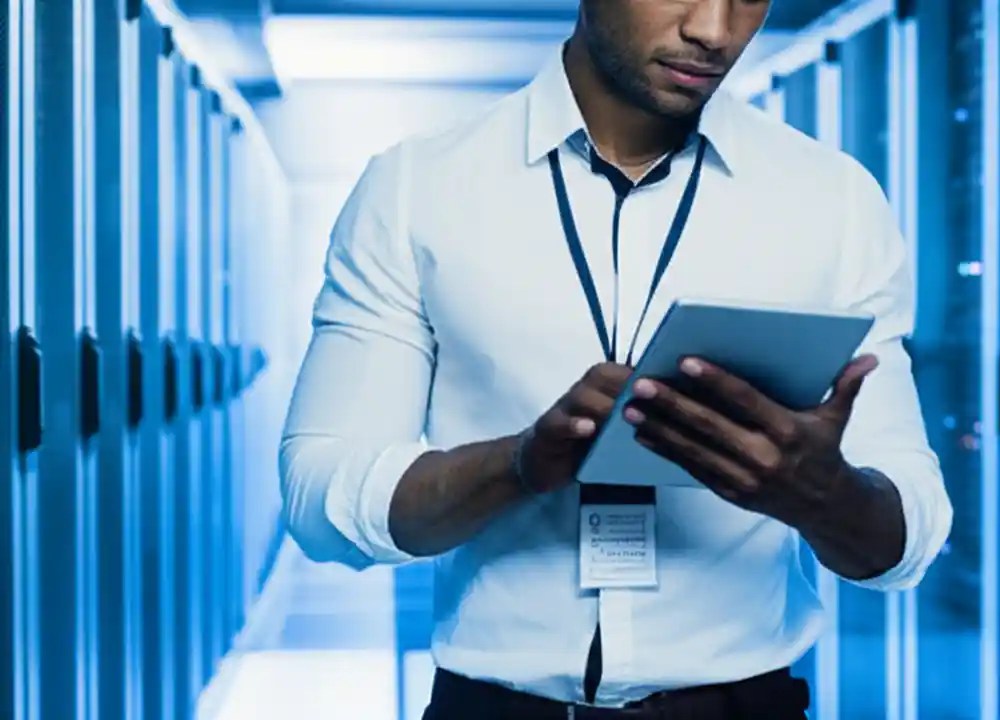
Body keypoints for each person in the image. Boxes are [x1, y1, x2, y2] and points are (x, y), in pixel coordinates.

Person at [279, 0, 953, 718]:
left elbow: (911, 535)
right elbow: (319, 496)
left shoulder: (834, 202)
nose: (714, 31)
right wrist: (518, 465)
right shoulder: (415, 188)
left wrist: (820, 493)